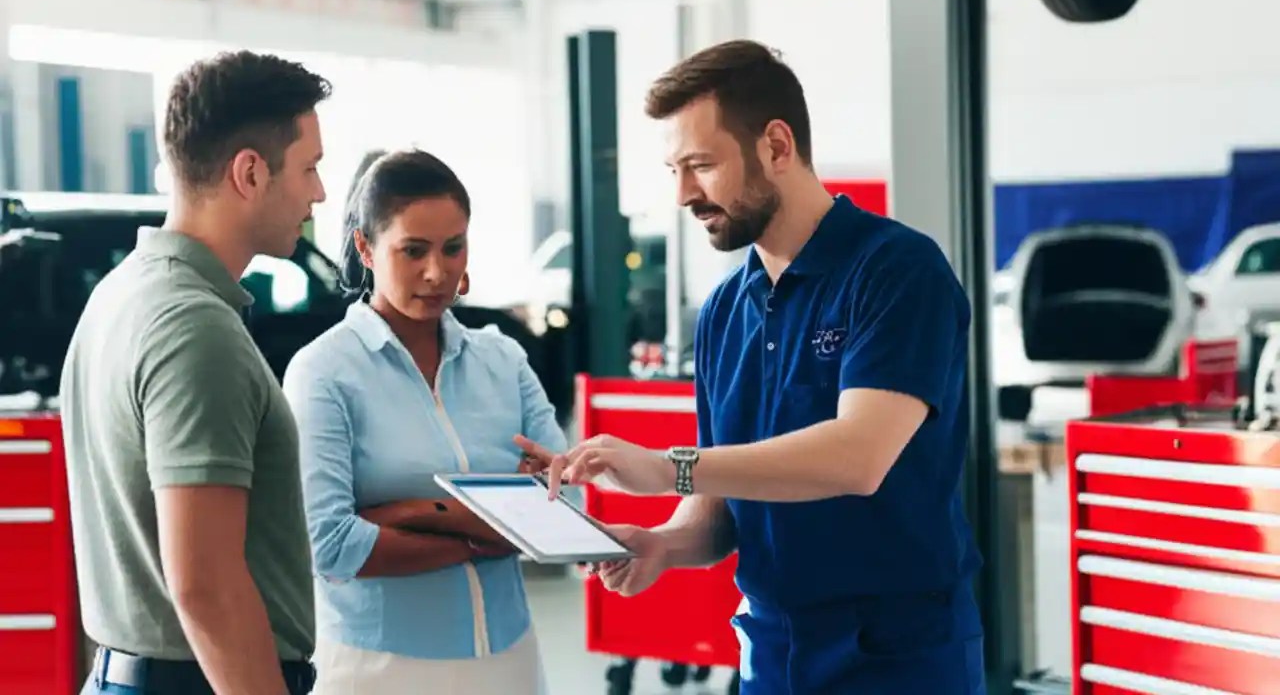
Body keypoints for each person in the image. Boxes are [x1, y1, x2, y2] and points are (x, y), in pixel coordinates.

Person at [522, 40, 987, 694]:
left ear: (776, 145)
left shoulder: (897, 272)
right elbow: (722, 514)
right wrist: (661, 544)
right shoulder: (723, 312)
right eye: (674, 170)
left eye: (701, 165)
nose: (683, 193)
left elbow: (858, 457)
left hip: (896, 658)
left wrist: (667, 467)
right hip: (772, 653)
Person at [59, 50, 330, 695]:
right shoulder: (193, 329)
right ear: (250, 172)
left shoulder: (122, 293)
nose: (319, 192)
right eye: (310, 167)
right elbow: (205, 586)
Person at [282, 149, 564, 695]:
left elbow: (563, 510)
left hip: (508, 659)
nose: (437, 272)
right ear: (365, 246)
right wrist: (488, 534)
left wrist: (414, 513)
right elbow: (330, 544)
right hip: (376, 668)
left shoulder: (503, 361)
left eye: (452, 248)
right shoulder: (324, 372)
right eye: (413, 251)